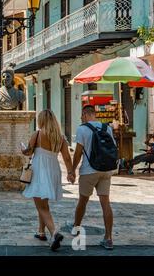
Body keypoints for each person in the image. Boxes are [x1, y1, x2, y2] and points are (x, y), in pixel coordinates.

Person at [21, 109, 74, 251]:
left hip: (39, 171)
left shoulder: (37, 134)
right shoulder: (60, 137)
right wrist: (71, 172)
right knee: (43, 202)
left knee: (41, 205)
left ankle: (54, 233)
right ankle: (41, 232)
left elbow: (28, 152)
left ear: (41, 121)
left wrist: (23, 149)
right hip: (53, 170)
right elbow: (67, 158)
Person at [71, 105, 117, 250]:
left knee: (82, 202)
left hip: (89, 171)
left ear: (85, 114)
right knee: (105, 203)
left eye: (81, 115)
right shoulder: (106, 128)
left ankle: (76, 228)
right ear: (94, 114)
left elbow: (78, 153)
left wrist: (72, 170)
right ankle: (108, 238)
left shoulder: (82, 129)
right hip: (105, 170)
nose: (81, 118)